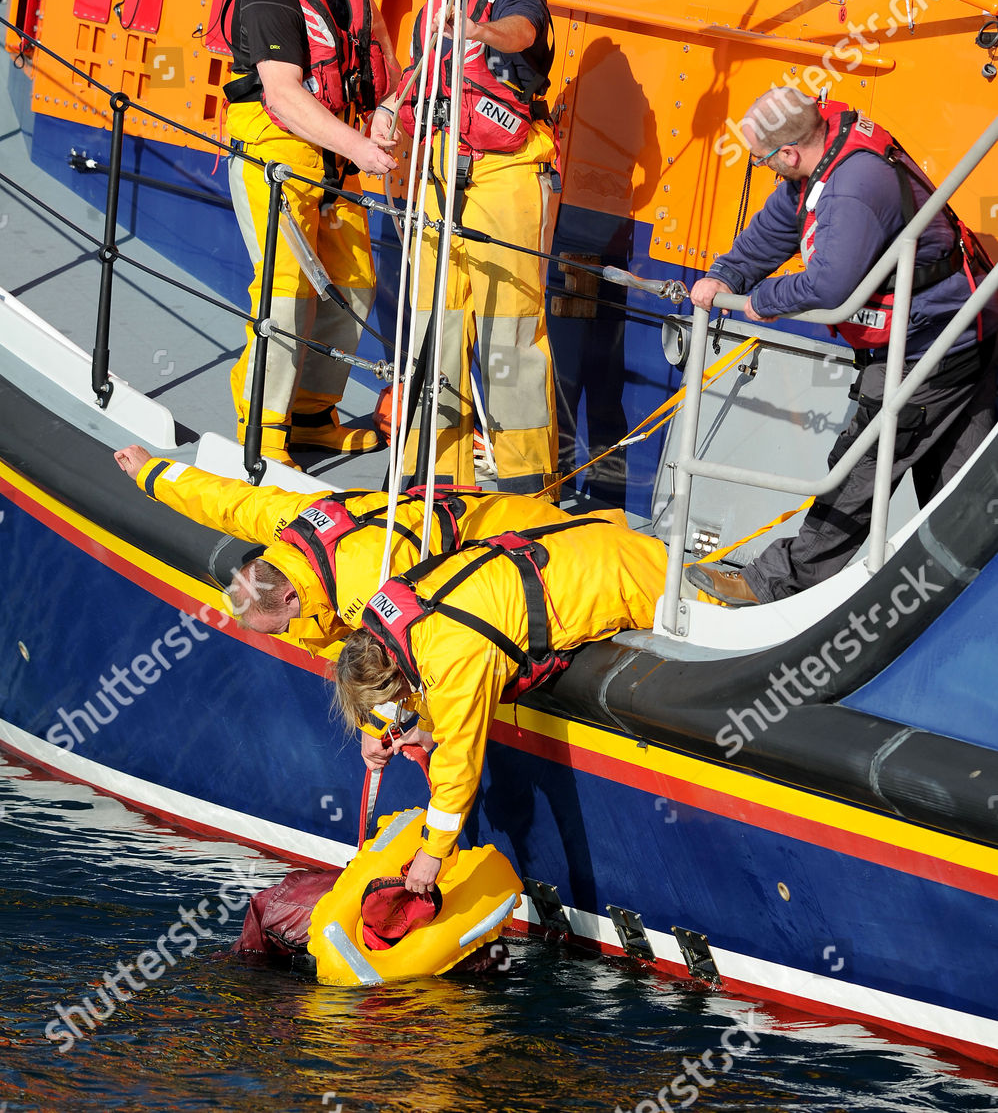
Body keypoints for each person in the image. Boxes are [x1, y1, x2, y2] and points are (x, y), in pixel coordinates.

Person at [686, 87, 997, 607]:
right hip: (954, 333)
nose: (768, 172)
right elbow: (778, 225)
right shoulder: (821, 148)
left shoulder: (852, 186)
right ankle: (968, 599)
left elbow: (831, 284)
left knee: (859, 466)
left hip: (933, 342)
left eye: (764, 163)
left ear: (788, 154)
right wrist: (727, 275)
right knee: (957, 483)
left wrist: (761, 299)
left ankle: (774, 585)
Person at [333, 516, 670, 895]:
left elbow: (460, 760)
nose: (400, 704)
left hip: (629, 579)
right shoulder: (393, 614)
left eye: (394, 700)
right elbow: (431, 670)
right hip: (585, 544)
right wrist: (426, 725)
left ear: (392, 679)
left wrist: (433, 854)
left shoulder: (451, 657)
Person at [370, 0, 558, 496]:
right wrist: (387, 111)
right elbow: (423, 74)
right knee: (436, 331)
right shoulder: (433, 8)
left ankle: (529, 490)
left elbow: (522, 33)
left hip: (504, 177)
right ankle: (433, 479)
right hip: (438, 174)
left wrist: (475, 29)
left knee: (509, 338)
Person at [112, 443, 610, 654]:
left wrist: (380, 731)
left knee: (605, 560)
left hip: (523, 535)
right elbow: (226, 501)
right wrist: (150, 473)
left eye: (284, 624)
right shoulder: (291, 527)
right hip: (474, 515)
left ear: (288, 597)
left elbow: (406, 655)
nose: (291, 631)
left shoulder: (366, 589)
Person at [224, 0, 400, 466]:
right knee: (284, 289)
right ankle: (264, 432)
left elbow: (373, 37)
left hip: (337, 145)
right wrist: (360, 149)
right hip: (280, 147)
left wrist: (385, 105)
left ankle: (312, 415)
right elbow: (285, 97)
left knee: (352, 283)